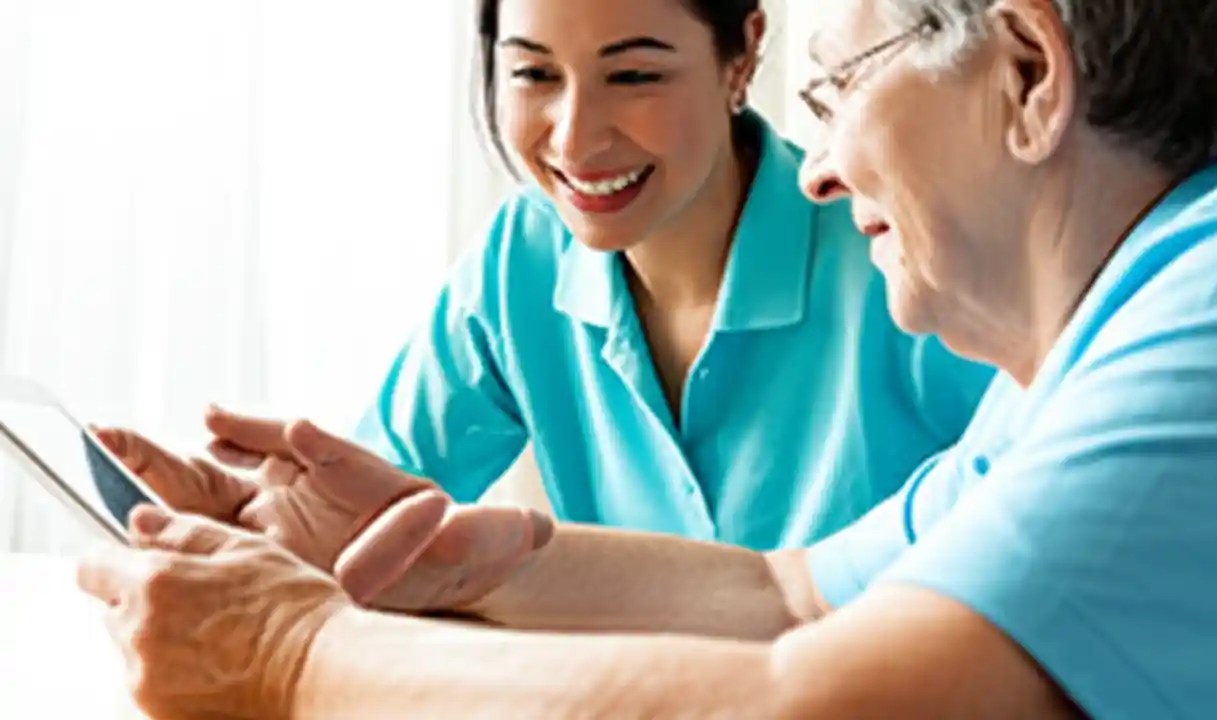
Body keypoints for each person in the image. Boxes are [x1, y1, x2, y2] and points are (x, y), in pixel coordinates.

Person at [78, 0, 1217, 717]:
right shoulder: (1106, 342)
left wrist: (296, 655)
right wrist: (468, 560)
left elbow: (814, 704)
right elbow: (788, 596)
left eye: (842, 84)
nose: (818, 167)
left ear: (1025, 73)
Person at [89, 0, 992, 605]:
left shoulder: (900, 261)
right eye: (533, 76)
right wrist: (253, 521)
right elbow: (375, 508)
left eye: (633, 76)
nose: (575, 137)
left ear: (742, 52)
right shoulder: (523, 257)